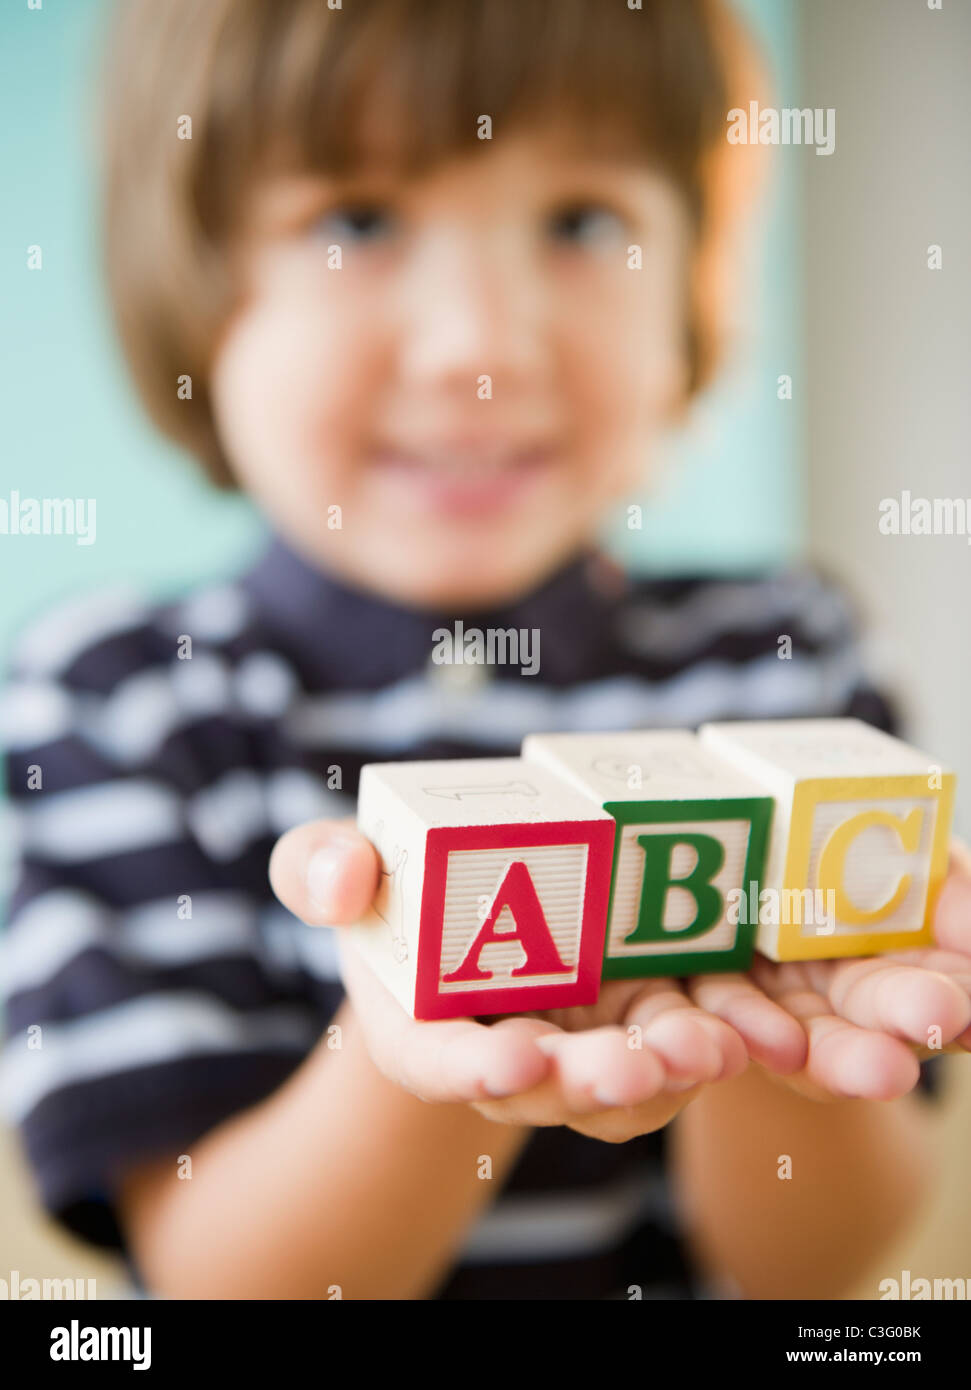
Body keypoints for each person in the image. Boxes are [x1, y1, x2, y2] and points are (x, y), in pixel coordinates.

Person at [2, 0, 969, 1301]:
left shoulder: (783, 651)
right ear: (195, 281)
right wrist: (433, 1042)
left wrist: (774, 1038)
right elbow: (216, 1283)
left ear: (692, 283)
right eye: (356, 220)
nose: (482, 349)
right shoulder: (117, 701)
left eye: (582, 223)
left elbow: (821, 1267)